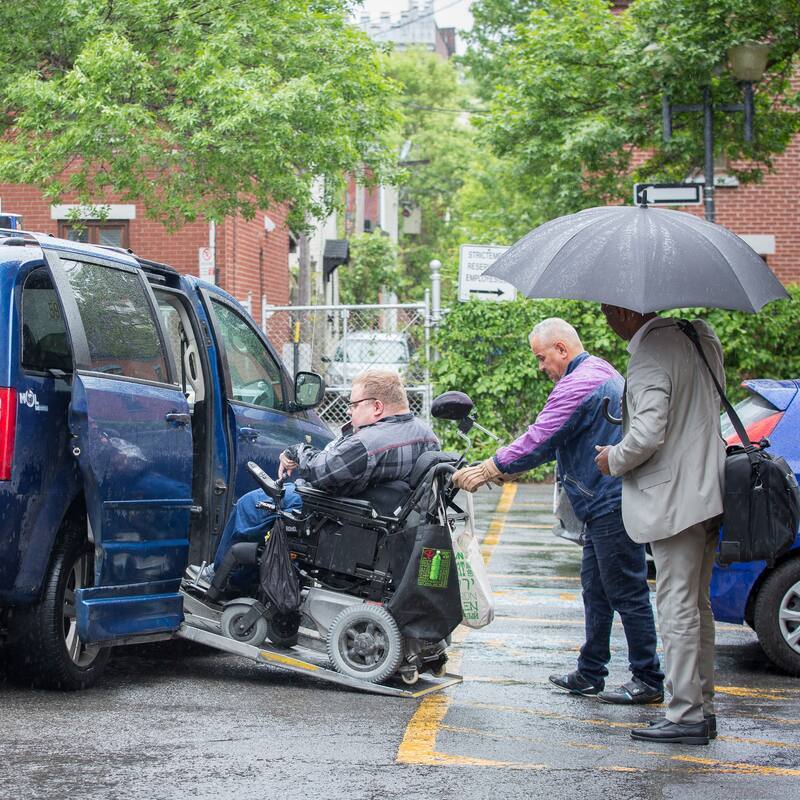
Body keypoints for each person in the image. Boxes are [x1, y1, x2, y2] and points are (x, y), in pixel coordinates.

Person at [453, 318, 664, 704]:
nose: (541, 367)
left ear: (562, 350)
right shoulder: (598, 370)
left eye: (542, 358)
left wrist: (490, 468)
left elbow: (541, 436)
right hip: (604, 501)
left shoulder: (579, 384)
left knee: (627, 591)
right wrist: (505, 467)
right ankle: (590, 672)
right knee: (596, 591)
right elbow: (553, 442)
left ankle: (648, 678)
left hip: (609, 502)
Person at [595, 306, 725, 746]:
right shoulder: (699, 334)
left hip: (674, 498)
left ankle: (686, 713)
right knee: (695, 604)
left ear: (625, 311)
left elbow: (650, 432)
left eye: (607, 309)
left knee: (676, 607)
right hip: (710, 492)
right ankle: (701, 707)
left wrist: (612, 458)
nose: (605, 317)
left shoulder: (651, 350)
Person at [196, 369, 438, 590]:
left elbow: (323, 472)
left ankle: (223, 580)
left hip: (334, 509)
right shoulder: (427, 435)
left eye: (353, 405)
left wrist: (296, 451)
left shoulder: (368, 443)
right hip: (378, 514)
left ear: (376, 407)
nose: (348, 411)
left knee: (251, 506)